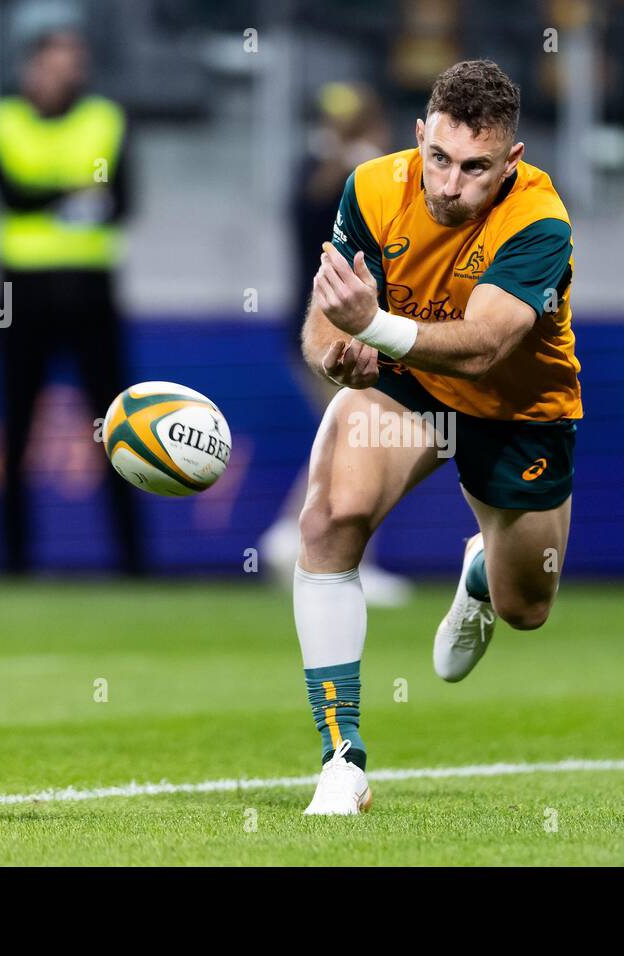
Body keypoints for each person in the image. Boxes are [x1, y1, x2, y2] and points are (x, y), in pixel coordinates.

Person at [294, 60, 581, 814]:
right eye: (440, 159)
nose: (452, 185)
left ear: (510, 163)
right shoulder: (369, 188)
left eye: (476, 168)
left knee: (527, 608)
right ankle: (340, 758)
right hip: (411, 383)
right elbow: (326, 318)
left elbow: (486, 344)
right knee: (329, 517)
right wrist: (338, 352)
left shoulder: (539, 221)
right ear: (420, 136)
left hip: (519, 409)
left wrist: (375, 328)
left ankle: (484, 571)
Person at [0, 20, 144, 576]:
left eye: (73, 62)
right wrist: (76, 195)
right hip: (19, 299)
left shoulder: (105, 119)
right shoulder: (1, 121)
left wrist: (51, 197)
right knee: (15, 430)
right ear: (31, 67)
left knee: (116, 429)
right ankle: (13, 565)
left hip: (90, 297)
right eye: (54, 62)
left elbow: (122, 202)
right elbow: (12, 197)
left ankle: (133, 564)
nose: (64, 74)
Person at [258, 82, 414, 607]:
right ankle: (323, 550)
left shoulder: (315, 173)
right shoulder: (366, 179)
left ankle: (302, 541)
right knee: (361, 440)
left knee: (356, 438)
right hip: (341, 334)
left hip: (326, 329)